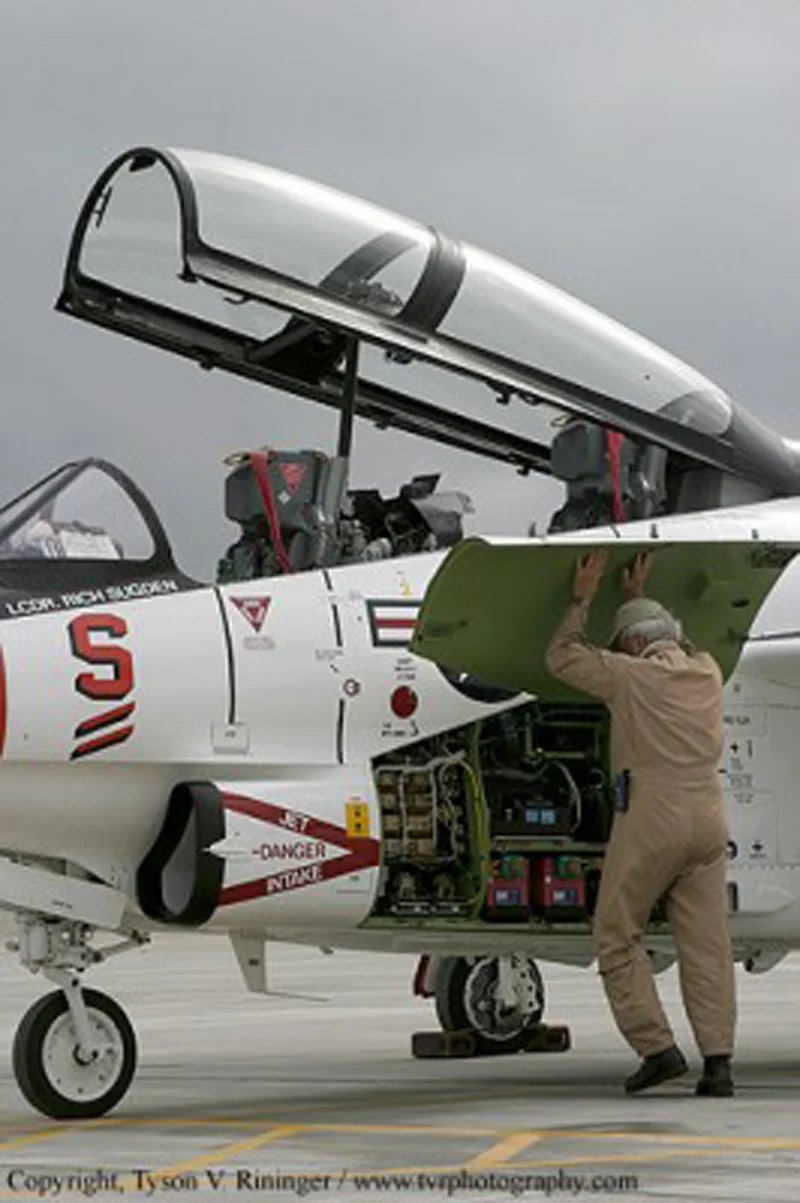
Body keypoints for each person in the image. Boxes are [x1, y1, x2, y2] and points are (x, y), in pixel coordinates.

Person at [544, 549, 736, 1097]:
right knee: (707, 945)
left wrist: (581, 598)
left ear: (630, 645)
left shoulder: (629, 678)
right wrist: (636, 601)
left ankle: (657, 1048)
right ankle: (718, 1063)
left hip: (653, 816)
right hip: (708, 817)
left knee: (616, 932)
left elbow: (561, 657)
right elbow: (674, 640)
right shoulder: (707, 671)